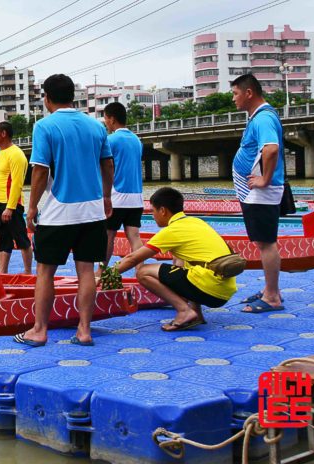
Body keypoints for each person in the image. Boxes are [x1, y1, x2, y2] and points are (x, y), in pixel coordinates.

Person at [17, 73, 114, 347]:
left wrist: (32, 206)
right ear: (74, 96)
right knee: (86, 270)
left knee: (45, 271)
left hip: (58, 211)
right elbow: (107, 165)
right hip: (92, 211)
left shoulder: (44, 126)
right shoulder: (96, 127)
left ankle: (39, 329)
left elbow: (40, 170)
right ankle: (84, 331)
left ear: (46, 98)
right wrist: (106, 198)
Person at [113, 188, 237, 330]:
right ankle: (197, 313)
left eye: (153, 211)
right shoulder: (196, 222)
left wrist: (103, 275)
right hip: (225, 291)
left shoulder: (172, 230)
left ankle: (184, 311)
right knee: (184, 263)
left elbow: (132, 259)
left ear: (163, 211)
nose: (152, 215)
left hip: (209, 288)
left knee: (143, 272)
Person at [231, 74, 285, 313]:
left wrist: (264, 178)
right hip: (254, 193)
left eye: (235, 93)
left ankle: (272, 296)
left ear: (248, 93)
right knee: (263, 241)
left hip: (261, 193)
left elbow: (271, 149)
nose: (234, 99)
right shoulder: (259, 117)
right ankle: (269, 289)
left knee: (266, 243)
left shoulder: (263, 118)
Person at [102, 102, 144, 273]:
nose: (105, 122)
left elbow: (105, 165)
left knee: (108, 236)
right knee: (134, 236)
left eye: (105, 118)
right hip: (136, 197)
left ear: (112, 119)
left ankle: (102, 270)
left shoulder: (110, 140)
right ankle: (141, 270)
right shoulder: (137, 140)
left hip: (116, 196)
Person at [0, 121, 33, 274]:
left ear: (3, 134)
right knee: (3, 241)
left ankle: (28, 272)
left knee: (21, 239)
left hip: (11, 205)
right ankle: (4, 272)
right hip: (0, 203)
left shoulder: (16, 154)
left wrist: (10, 207)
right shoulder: (0, 153)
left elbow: (17, 183)